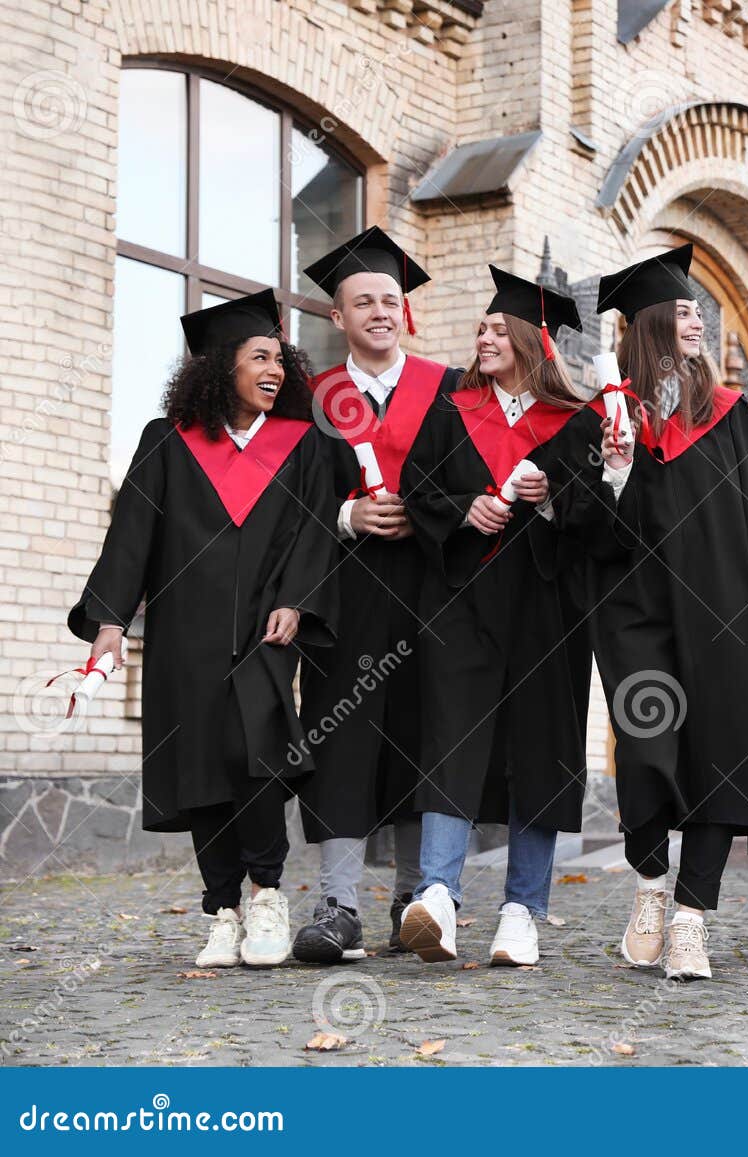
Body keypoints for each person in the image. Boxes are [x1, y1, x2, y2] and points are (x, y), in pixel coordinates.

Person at [69, 291, 336, 968]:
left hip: (263, 635)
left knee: (257, 760)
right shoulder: (168, 440)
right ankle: (222, 908)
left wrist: (298, 600)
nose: (275, 368)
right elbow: (130, 535)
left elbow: (313, 530)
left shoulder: (301, 445)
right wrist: (107, 623)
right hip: (184, 636)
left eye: (280, 357)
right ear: (222, 367)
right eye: (259, 357)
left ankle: (268, 894)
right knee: (202, 771)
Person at [590, 242, 748, 981]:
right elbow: (585, 530)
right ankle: (651, 879)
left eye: (700, 311)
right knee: (648, 748)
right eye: (684, 311)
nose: (698, 321)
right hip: (637, 612)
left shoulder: (726, 415)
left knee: (723, 754)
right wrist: (615, 474)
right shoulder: (611, 417)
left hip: (722, 607)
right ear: (653, 322)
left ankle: (691, 917)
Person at [395, 268, 602, 966]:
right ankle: (439, 899)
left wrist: (549, 499)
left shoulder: (576, 424)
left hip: (547, 610)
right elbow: (416, 489)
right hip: (461, 602)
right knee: (451, 738)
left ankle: (521, 910)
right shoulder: (452, 412)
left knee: (538, 750)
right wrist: (465, 509)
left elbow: (598, 515)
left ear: (529, 340)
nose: (483, 337)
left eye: (496, 329)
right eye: (479, 328)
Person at [291, 226, 457, 964]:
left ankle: (413, 900)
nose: (380, 312)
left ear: (405, 310)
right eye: (364, 302)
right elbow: (286, 504)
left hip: (434, 587)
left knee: (424, 736)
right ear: (338, 316)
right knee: (343, 739)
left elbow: (472, 482)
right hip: (346, 590)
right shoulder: (313, 400)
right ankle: (339, 905)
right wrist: (346, 515)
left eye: (390, 299)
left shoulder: (451, 390)